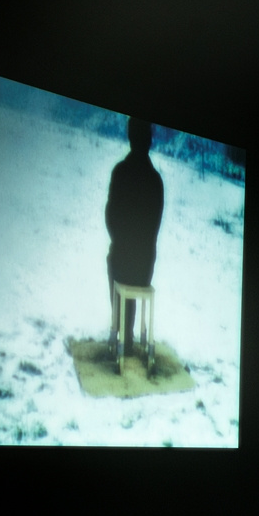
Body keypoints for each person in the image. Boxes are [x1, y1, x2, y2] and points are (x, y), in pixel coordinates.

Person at [104, 117, 164, 355]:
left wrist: (120, 240)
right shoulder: (156, 180)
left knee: (114, 260)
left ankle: (123, 332)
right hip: (145, 268)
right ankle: (127, 334)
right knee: (129, 262)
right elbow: (154, 227)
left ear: (130, 138)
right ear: (149, 141)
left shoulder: (120, 171)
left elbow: (110, 217)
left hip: (123, 260)